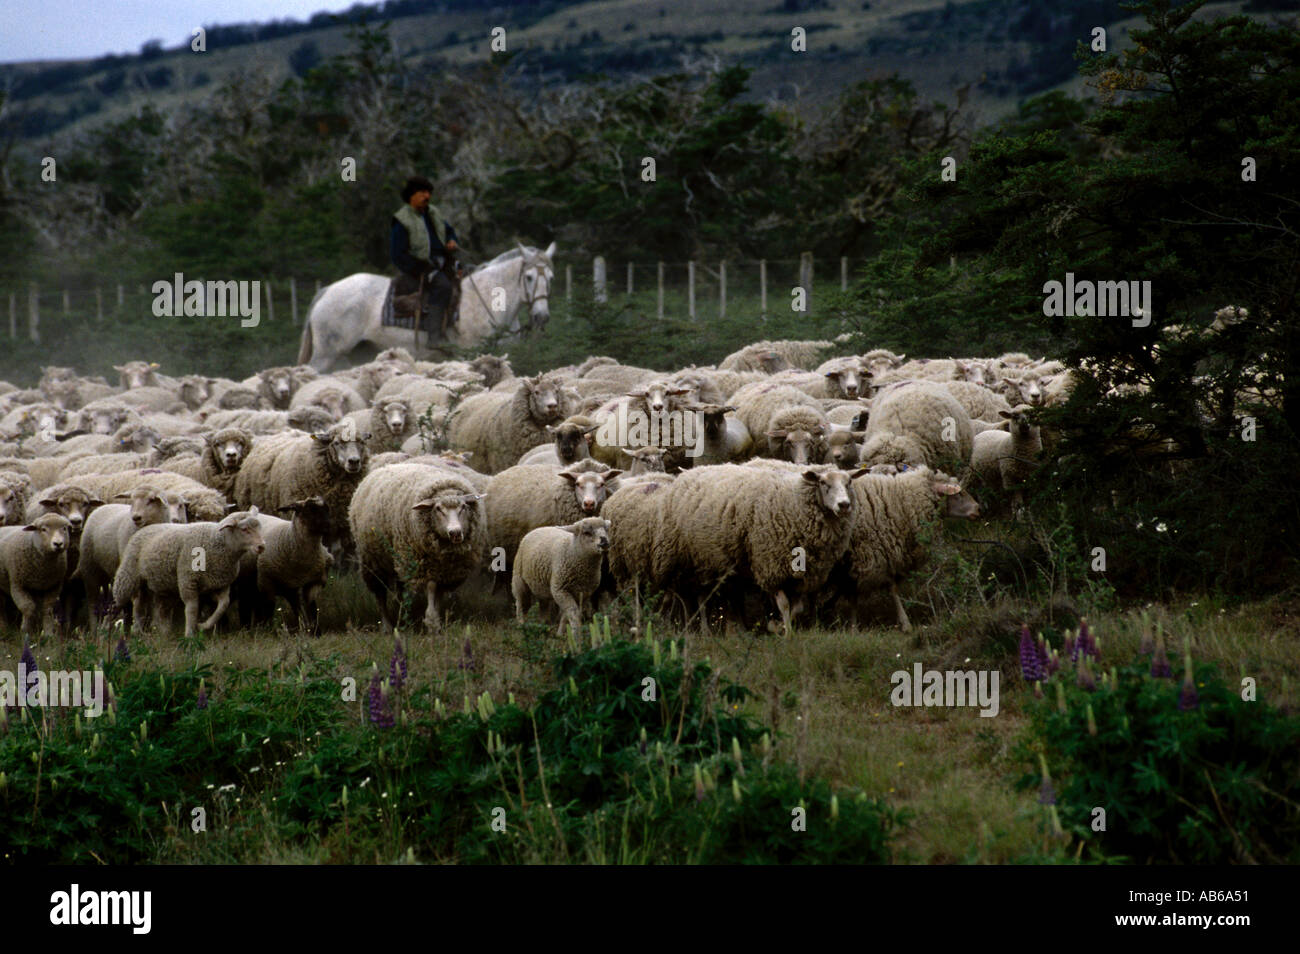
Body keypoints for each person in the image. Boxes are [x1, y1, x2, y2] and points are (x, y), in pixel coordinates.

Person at [390, 175, 462, 332]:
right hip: (419, 267)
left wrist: (451, 240)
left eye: (428, 192)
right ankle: (434, 336)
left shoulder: (433, 213)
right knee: (443, 286)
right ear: (411, 195)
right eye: (422, 192)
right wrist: (422, 269)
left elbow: (449, 231)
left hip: (442, 262)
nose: (427, 196)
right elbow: (397, 254)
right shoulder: (402, 220)